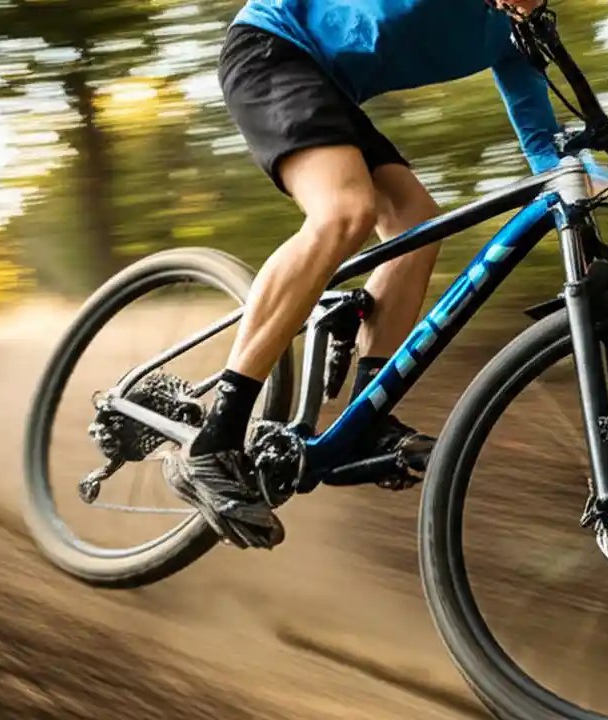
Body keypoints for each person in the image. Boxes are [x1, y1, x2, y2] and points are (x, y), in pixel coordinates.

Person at [167, 0, 561, 550]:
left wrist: (598, 177)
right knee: (344, 212)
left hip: (329, 89)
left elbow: (546, 148)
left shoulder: (519, 29)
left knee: (418, 225)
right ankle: (215, 440)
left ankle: (366, 417)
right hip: (271, 48)